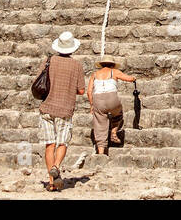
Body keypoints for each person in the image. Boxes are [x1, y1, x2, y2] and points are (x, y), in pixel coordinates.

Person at [38, 31, 86, 192]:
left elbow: (39, 80)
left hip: (47, 106)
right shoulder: (77, 66)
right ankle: (57, 167)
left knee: (49, 144)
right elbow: (81, 90)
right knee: (63, 142)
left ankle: (51, 182)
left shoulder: (48, 61)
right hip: (65, 108)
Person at [87, 55, 135, 156]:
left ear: (101, 64)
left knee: (100, 124)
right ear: (112, 65)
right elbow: (129, 79)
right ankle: (114, 131)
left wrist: (92, 105)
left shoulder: (94, 74)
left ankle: (101, 152)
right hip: (112, 98)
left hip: (98, 99)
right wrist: (134, 78)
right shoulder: (115, 72)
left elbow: (89, 91)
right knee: (118, 115)